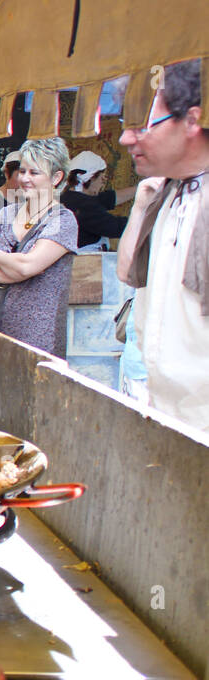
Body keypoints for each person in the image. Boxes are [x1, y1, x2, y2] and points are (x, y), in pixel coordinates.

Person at [117, 59, 209, 431]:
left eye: (141, 127)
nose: (126, 139)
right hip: (169, 419)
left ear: (192, 120)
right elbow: (129, 276)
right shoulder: (165, 194)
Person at [0, 137, 80, 357]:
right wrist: (18, 269)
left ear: (56, 177)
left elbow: (27, 267)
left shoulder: (62, 220)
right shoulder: (6, 213)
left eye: (34, 173)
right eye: (22, 171)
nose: (25, 178)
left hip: (39, 337)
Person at [60, 150, 137, 251]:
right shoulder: (83, 205)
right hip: (85, 261)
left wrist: (142, 188)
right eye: (102, 179)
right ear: (91, 178)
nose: (102, 185)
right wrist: (147, 221)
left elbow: (107, 199)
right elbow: (114, 227)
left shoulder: (68, 197)